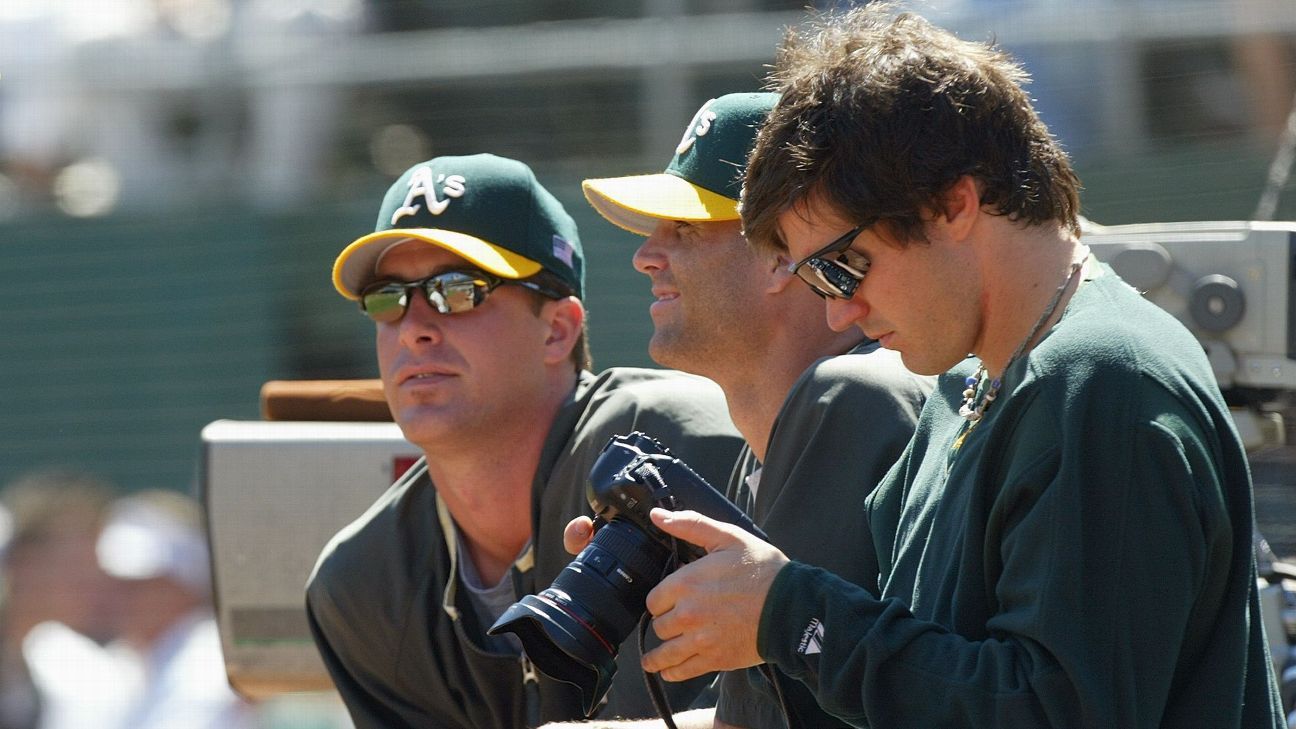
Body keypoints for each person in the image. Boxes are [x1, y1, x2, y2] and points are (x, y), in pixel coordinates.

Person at [580, 5, 1283, 728]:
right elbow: (922, 674)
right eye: (818, 279)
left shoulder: (1103, 381)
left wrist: (792, 614)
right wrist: (713, 581)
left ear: (952, 204)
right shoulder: (967, 381)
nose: (839, 312)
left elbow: (1053, 712)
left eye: (844, 266)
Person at [304, 153, 744, 728]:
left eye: (457, 291)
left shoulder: (675, 450)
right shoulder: (364, 581)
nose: (413, 328)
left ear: (556, 330)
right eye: (387, 298)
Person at [559, 92, 931, 728]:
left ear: (785, 253)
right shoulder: (776, 435)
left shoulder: (855, 396)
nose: (645, 256)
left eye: (684, 230)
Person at [95, 489, 257, 729]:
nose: (116, 595)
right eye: (113, 582)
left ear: (184, 584)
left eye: (139, 585)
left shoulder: (213, 663)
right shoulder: (123, 662)